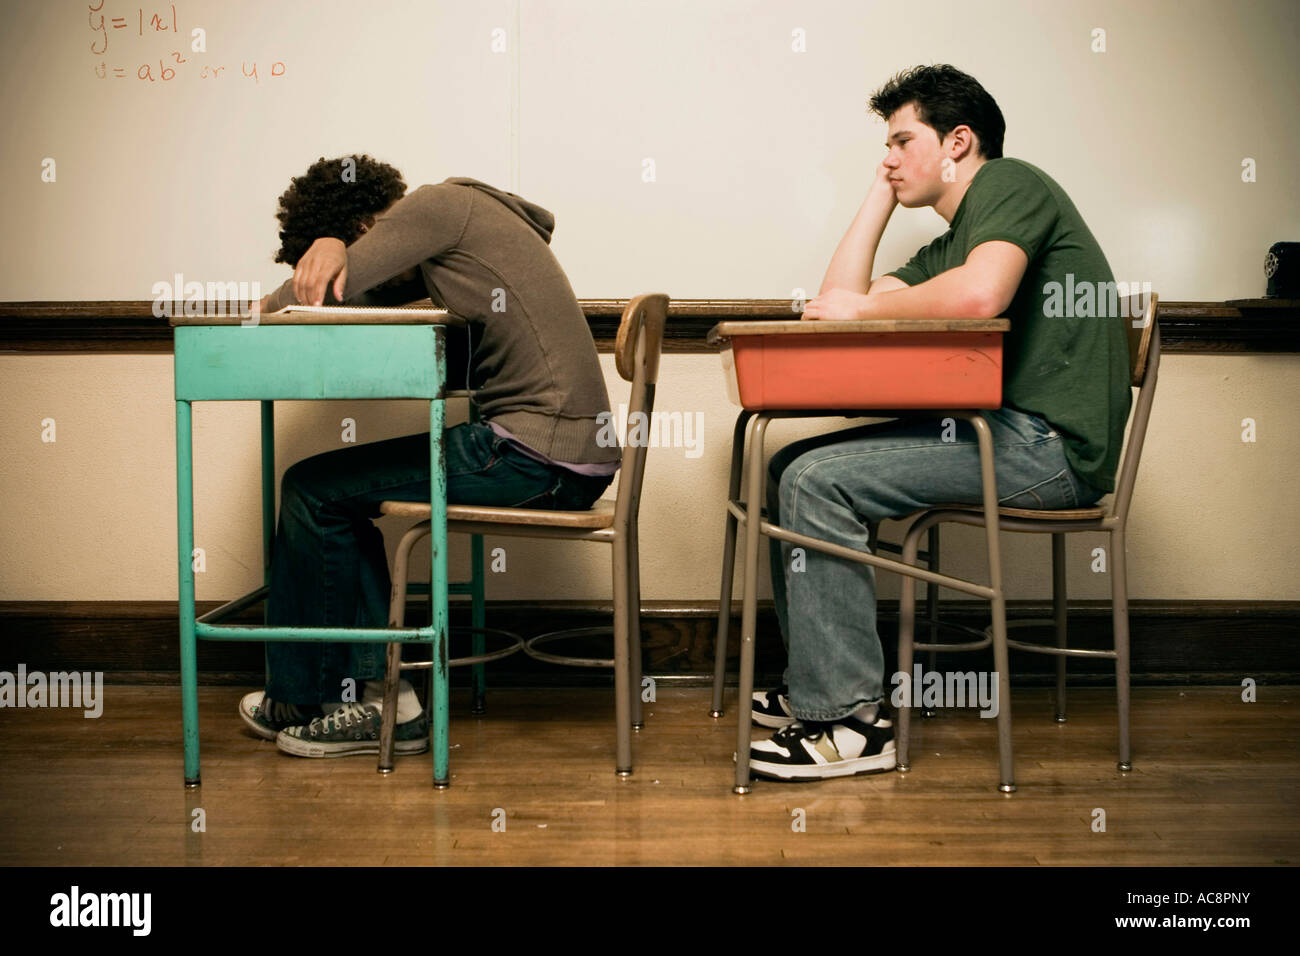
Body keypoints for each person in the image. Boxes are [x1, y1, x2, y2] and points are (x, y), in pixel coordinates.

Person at [748, 65, 1132, 781]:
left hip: (1050, 451)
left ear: (959, 141)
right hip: (1006, 435)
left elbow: (982, 296)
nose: (887, 157)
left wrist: (862, 310)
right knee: (787, 469)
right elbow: (837, 303)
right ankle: (820, 684)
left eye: (901, 141)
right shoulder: (956, 239)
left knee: (813, 481)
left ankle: (851, 723)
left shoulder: (1012, 183)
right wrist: (880, 194)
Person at [238, 156, 620, 757]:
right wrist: (342, 249)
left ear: (361, 224)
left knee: (314, 491)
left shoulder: (436, 206)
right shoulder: (467, 223)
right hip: (563, 450)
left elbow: (315, 296)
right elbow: (364, 294)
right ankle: (317, 693)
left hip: (534, 453)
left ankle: (377, 700)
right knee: (334, 491)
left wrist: (264, 301)